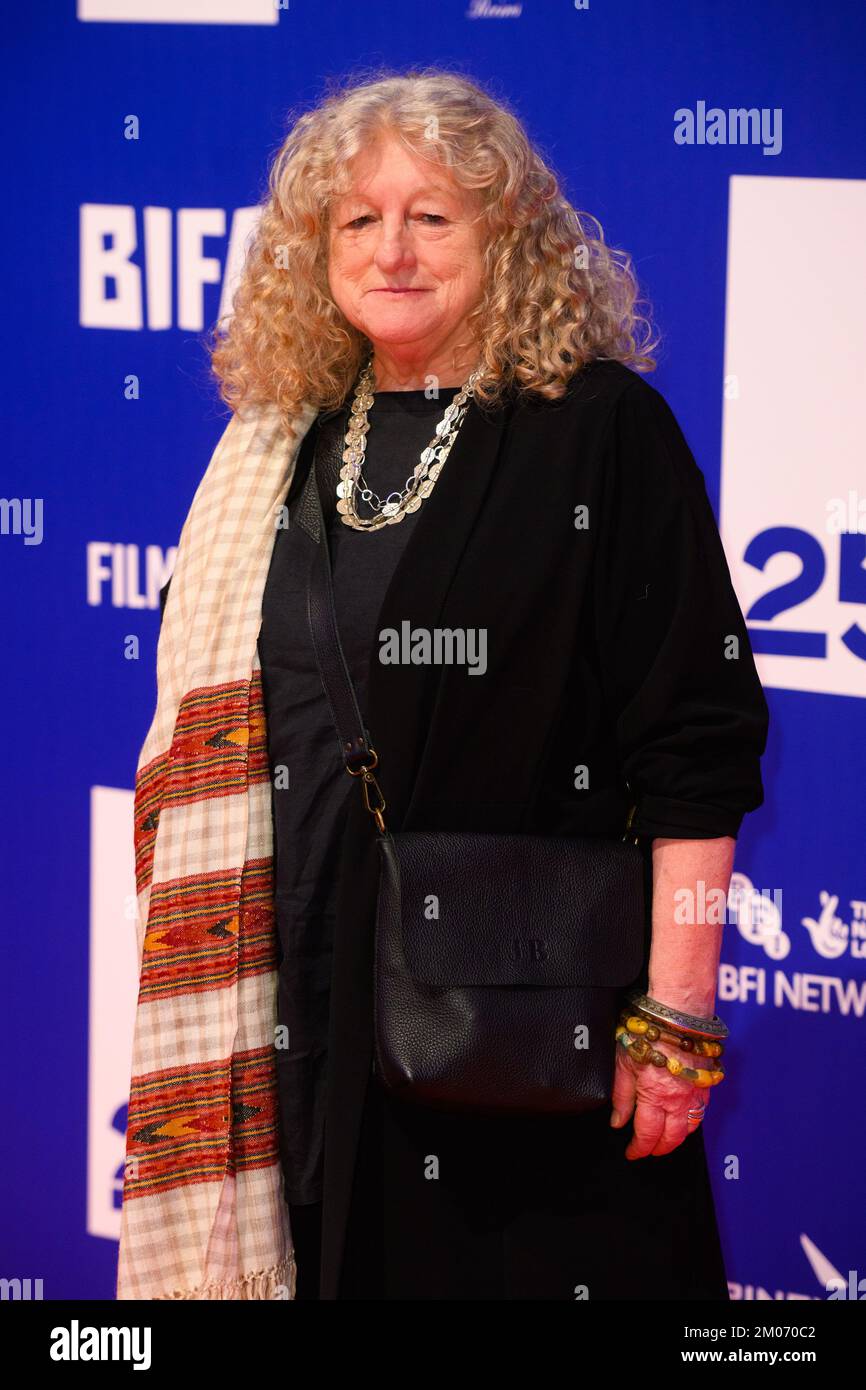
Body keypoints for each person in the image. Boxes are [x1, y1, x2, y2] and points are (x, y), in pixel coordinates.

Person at [118, 68, 769, 1302]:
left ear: (507, 236)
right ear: (314, 251)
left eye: (434, 216)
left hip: (513, 1033)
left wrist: (675, 1023)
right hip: (296, 1023)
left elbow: (694, 744)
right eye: (358, 220)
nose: (393, 250)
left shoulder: (597, 430)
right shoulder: (279, 442)